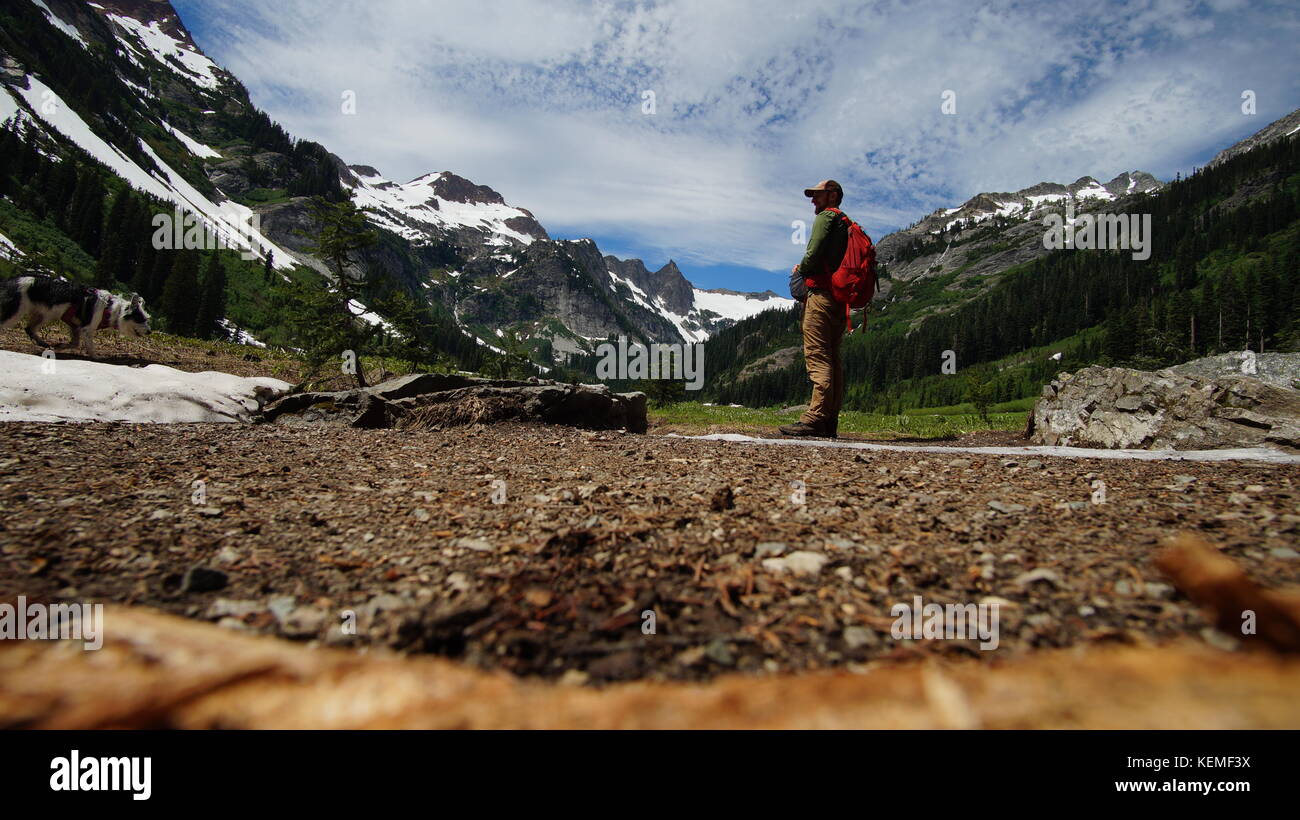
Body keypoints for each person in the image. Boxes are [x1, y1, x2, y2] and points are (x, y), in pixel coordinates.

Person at [780, 179, 849, 438]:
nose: (813, 200)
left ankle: (815, 417)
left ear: (832, 196)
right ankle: (830, 419)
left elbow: (812, 254)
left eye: (818, 195)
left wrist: (801, 270)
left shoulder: (826, 218)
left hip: (820, 296)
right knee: (833, 357)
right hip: (839, 299)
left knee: (818, 356)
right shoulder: (846, 223)